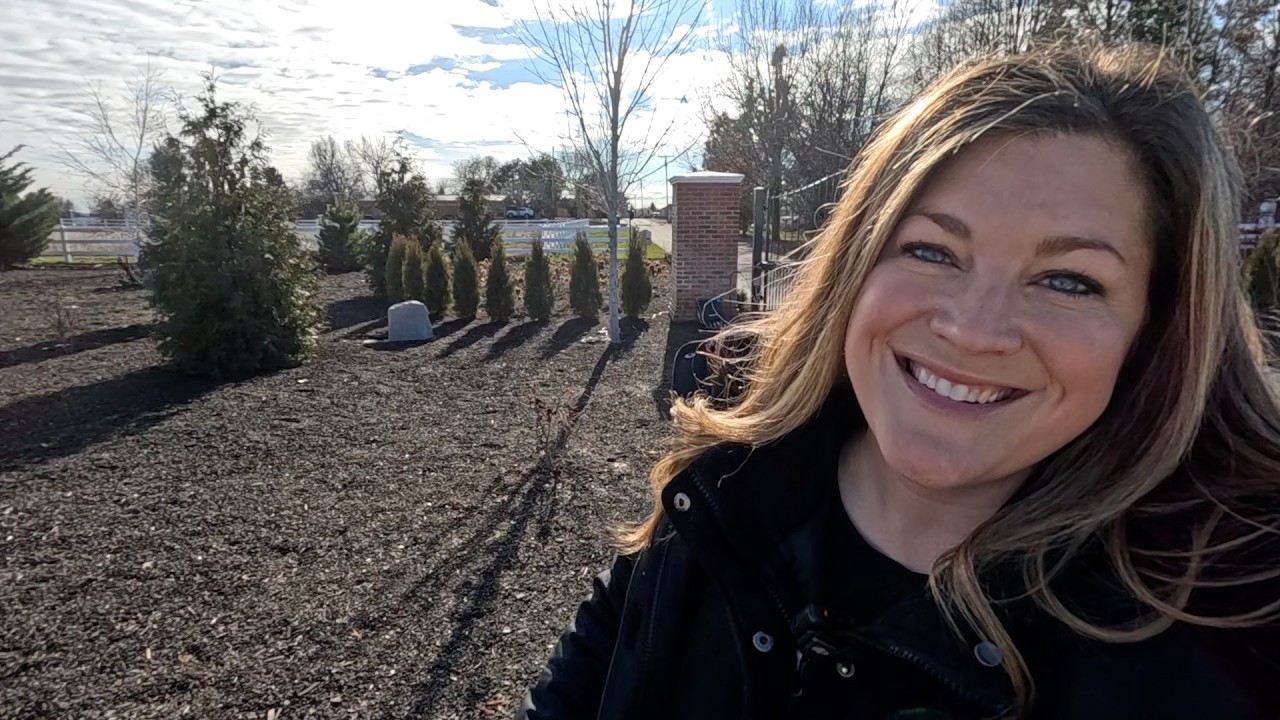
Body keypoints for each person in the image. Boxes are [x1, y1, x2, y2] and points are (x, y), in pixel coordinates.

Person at [515, 43, 1280, 719]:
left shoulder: (1225, 638)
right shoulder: (723, 499)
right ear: (857, 266)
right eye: (933, 252)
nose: (972, 329)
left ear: (1155, 329)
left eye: (1069, 281)